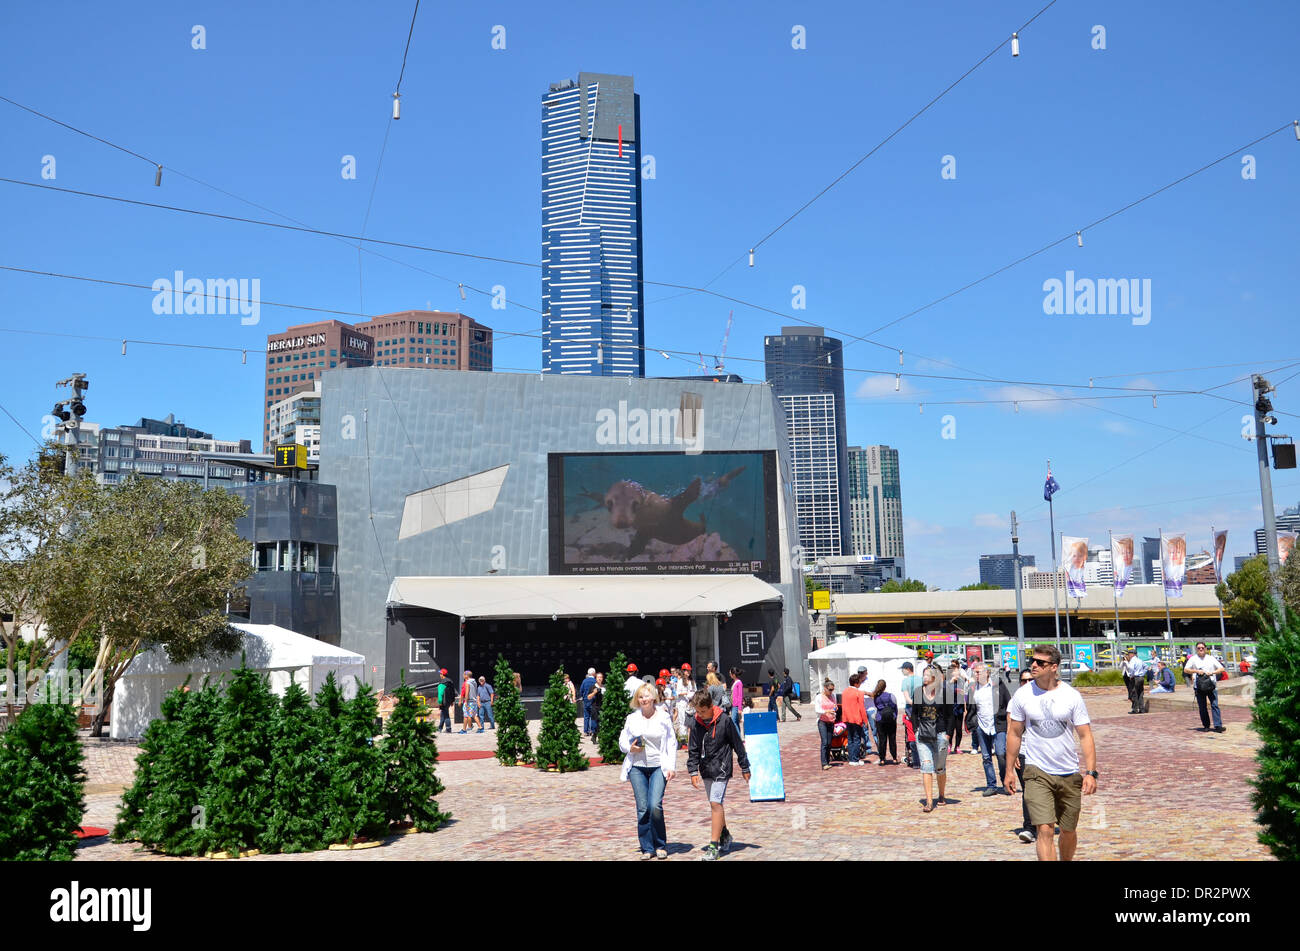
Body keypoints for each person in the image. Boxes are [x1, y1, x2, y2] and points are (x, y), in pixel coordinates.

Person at [1005, 645, 1098, 862]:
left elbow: (1085, 735)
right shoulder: (1023, 695)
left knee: (1068, 830)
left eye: (1040, 663)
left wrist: (1091, 772)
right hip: (1036, 772)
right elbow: (1015, 733)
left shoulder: (1071, 696)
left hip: (1068, 772)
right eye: (1032, 661)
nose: (1033, 665)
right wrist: (1009, 770)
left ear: (1054, 667)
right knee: (1045, 829)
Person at [686, 688, 750, 861]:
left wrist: (745, 767)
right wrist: (692, 770)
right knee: (716, 805)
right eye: (697, 711)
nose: (700, 715)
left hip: (722, 767)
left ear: (711, 706)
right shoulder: (696, 722)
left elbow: (738, 745)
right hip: (705, 768)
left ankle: (713, 847)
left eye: (703, 711)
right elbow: (693, 749)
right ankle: (725, 835)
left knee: (715, 803)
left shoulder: (725, 721)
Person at [620, 682, 679, 859]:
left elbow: (671, 742)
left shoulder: (663, 717)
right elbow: (623, 740)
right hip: (637, 767)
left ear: (653, 697)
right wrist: (630, 748)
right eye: (640, 696)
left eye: (647, 696)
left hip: (658, 766)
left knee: (655, 805)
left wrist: (671, 766)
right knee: (643, 808)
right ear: (637, 700)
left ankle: (660, 844)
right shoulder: (632, 718)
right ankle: (647, 847)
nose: (644, 699)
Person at [914, 665, 955, 812]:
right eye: (923, 675)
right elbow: (914, 713)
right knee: (926, 767)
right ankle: (929, 801)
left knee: (939, 768)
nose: (924, 677)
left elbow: (951, 716)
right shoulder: (918, 692)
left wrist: (948, 734)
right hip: (923, 735)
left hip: (940, 734)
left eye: (927, 675)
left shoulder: (944, 693)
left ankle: (942, 795)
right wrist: (915, 729)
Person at [970, 664, 1012, 795]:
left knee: (1001, 754)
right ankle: (991, 785)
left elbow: (1008, 702)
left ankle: (1006, 782)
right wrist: (973, 724)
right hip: (982, 726)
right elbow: (971, 708)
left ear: (987, 673)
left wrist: (1008, 720)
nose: (976, 674)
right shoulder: (973, 688)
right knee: (986, 757)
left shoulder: (997, 685)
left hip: (998, 725)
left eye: (979, 672)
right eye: (975, 672)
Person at [1011, 669, 1037, 843]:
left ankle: (1044, 820)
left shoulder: (1044, 697)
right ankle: (1029, 827)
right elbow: (1011, 731)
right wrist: (1012, 757)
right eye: (1023, 681)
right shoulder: (1016, 700)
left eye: (1030, 680)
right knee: (1028, 791)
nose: (1026, 684)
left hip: (1044, 753)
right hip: (1024, 752)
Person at [1183, 642, 1226, 733]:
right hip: (1199, 686)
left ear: (1206, 649)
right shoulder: (1193, 659)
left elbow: (1221, 668)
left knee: (1214, 705)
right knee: (1202, 707)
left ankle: (1218, 725)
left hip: (1211, 685)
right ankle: (1206, 725)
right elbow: (1186, 669)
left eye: (1202, 648)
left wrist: (1212, 672)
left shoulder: (1211, 658)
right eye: (1199, 648)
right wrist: (1197, 671)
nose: (1201, 649)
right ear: (1196, 649)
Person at [841, 673, 868, 766]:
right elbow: (862, 708)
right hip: (856, 718)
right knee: (856, 739)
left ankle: (852, 758)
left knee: (850, 738)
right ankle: (855, 759)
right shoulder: (859, 693)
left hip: (847, 718)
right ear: (856, 683)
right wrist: (865, 720)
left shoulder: (845, 691)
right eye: (859, 682)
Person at [870, 679, 898, 765]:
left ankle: (882, 759)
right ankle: (894, 758)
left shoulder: (876, 696)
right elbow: (895, 706)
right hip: (890, 719)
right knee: (892, 739)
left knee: (882, 739)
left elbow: (877, 706)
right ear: (885, 686)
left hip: (880, 719)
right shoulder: (890, 696)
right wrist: (894, 716)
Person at [815, 679, 838, 771]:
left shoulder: (833, 696)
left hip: (831, 721)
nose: (831, 691)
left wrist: (835, 709)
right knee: (824, 742)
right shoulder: (819, 697)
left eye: (832, 689)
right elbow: (817, 710)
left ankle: (828, 761)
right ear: (825, 688)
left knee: (829, 743)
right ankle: (824, 763)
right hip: (822, 721)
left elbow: (834, 706)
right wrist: (826, 711)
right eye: (830, 689)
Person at [948, 664, 967, 753]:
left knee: (959, 729)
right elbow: (946, 691)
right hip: (951, 708)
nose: (958, 672)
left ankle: (957, 746)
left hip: (959, 707)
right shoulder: (947, 682)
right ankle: (949, 745)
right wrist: (951, 683)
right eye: (956, 671)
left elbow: (964, 691)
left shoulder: (961, 681)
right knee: (950, 729)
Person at [1122, 649, 1147, 714]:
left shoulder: (1133, 660)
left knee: (1134, 693)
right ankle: (1142, 709)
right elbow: (1146, 667)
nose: (1128, 655)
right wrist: (1142, 674)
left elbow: (1131, 668)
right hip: (1141, 677)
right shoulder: (1140, 660)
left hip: (1135, 678)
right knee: (1140, 693)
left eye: (1129, 654)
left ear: (1132, 654)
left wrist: (1131, 675)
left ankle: (1135, 709)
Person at [579, 667, 598, 736]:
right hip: (593, 700)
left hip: (586, 700)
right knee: (593, 716)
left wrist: (583, 697)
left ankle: (585, 731)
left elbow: (581, 690)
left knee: (586, 716)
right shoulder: (595, 681)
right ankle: (592, 731)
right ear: (594, 674)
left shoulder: (584, 681)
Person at [436, 668, 455, 734]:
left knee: (446, 715)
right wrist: (452, 701)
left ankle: (448, 728)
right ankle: (440, 728)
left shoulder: (441, 683)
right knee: (443, 714)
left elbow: (440, 694)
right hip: (449, 701)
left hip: (443, 702)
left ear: (442, 675)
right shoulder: (450, 682)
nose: (440, 675)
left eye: (440, 674)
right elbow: (453, 692)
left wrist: (440, 702)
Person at [587, 671, 606, 738]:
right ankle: (594, 736)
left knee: (601, 722)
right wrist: (594, 693)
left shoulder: (604, 687)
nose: (599, 678)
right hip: (595, 706)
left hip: (602, 707)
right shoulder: (593, 687)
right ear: (596, 678)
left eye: (601, 677)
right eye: (598, 677)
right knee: (595, 723)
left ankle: (600, 737)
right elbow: (588, 697)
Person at [728, 668, 745, 734]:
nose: (729, 675)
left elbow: (740, 695)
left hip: (736, 705)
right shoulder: (735, 682)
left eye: (730, 674)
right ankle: (739, 738)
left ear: (733, 675)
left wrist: (740, 708)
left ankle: (737, 738)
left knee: (733, 721)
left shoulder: (739, 683)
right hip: (733, 704)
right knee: (736, 722)